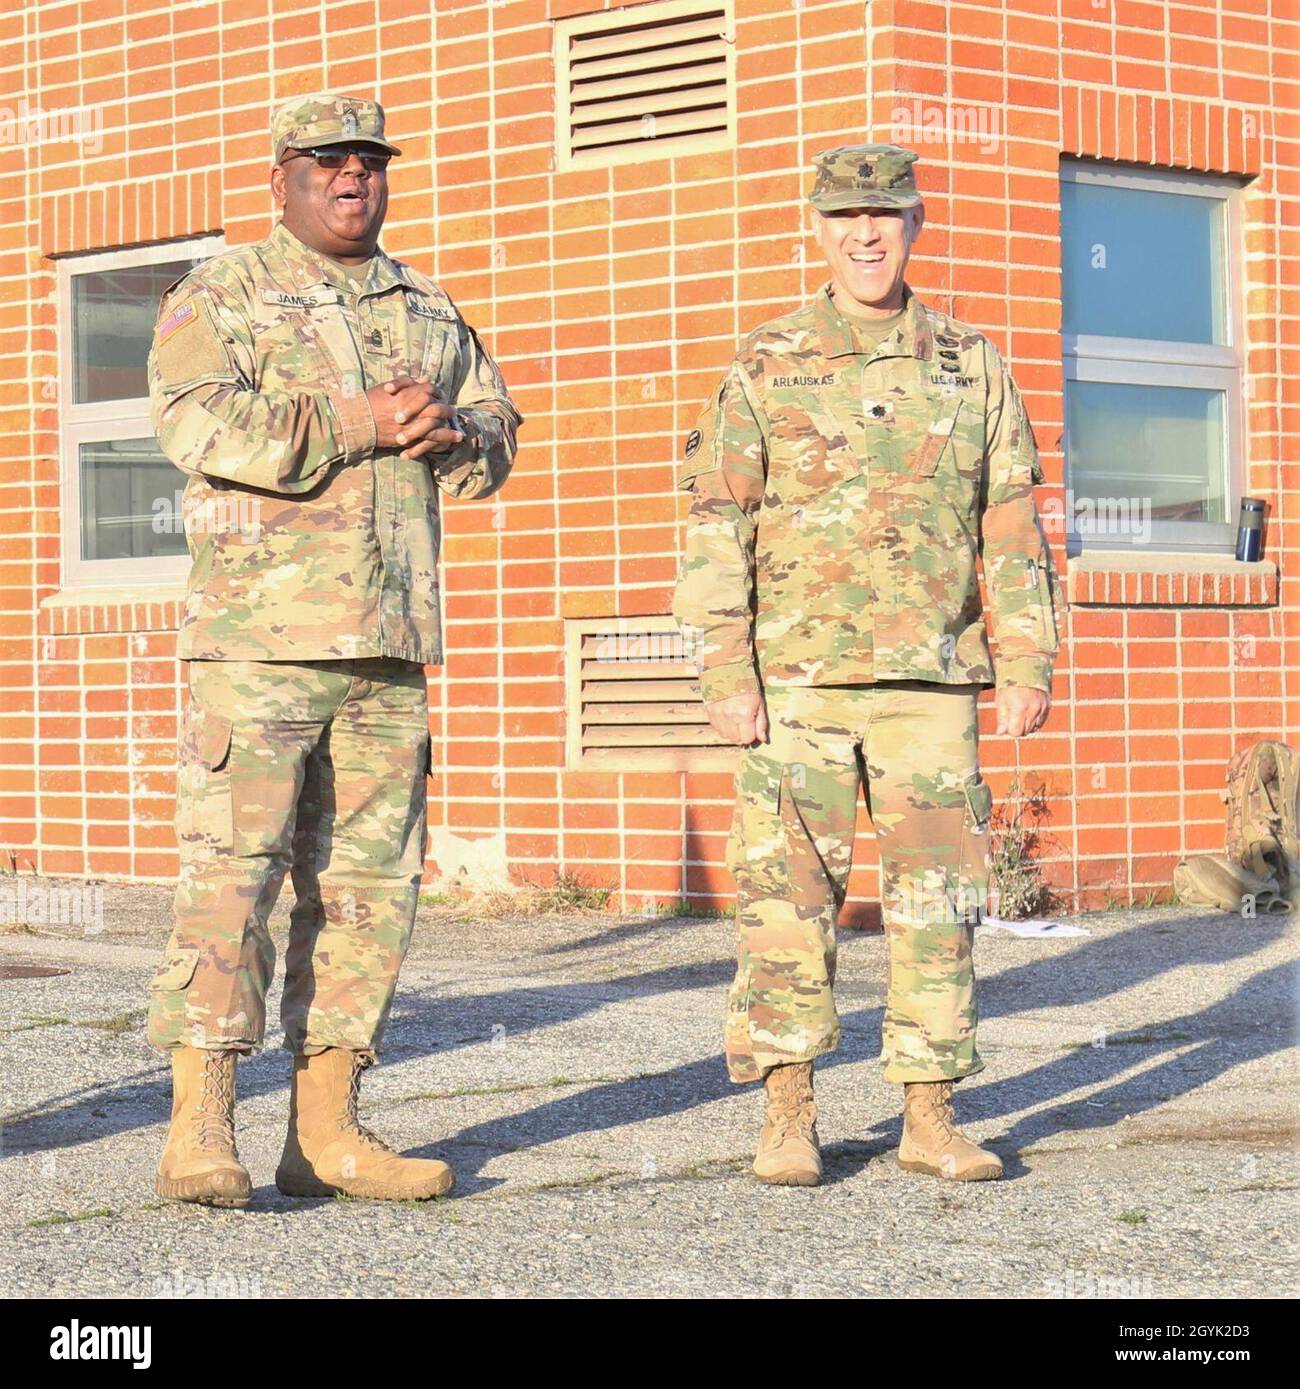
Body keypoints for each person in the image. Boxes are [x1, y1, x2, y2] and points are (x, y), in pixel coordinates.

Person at [146, 93, 521, 1205]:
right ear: (281, 179)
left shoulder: (427, 307)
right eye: (326, 164)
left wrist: (455, 432)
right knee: (235, 879)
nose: (352, 179)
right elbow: (196, 426)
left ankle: (326, 1133)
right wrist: (359, 421)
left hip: (390, 645)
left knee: (370, 889)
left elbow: (497, 427)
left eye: (368, 163)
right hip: (260, 644)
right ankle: (199, 1127)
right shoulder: (220, 294)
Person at [672, 143, 1063, 1187]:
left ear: (914, 225)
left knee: (937, 902)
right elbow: (716, 521)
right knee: (785, 899)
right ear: (817, 228)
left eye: (883, 216)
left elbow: (1012, 521)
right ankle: (787, 1112)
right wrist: (722, 669)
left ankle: (928, 1116)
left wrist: (1025, 658)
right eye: (843, 217)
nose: (863, 235)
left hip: (930, 679)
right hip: (792, 678)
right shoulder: (767, 360)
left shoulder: (969, 362)